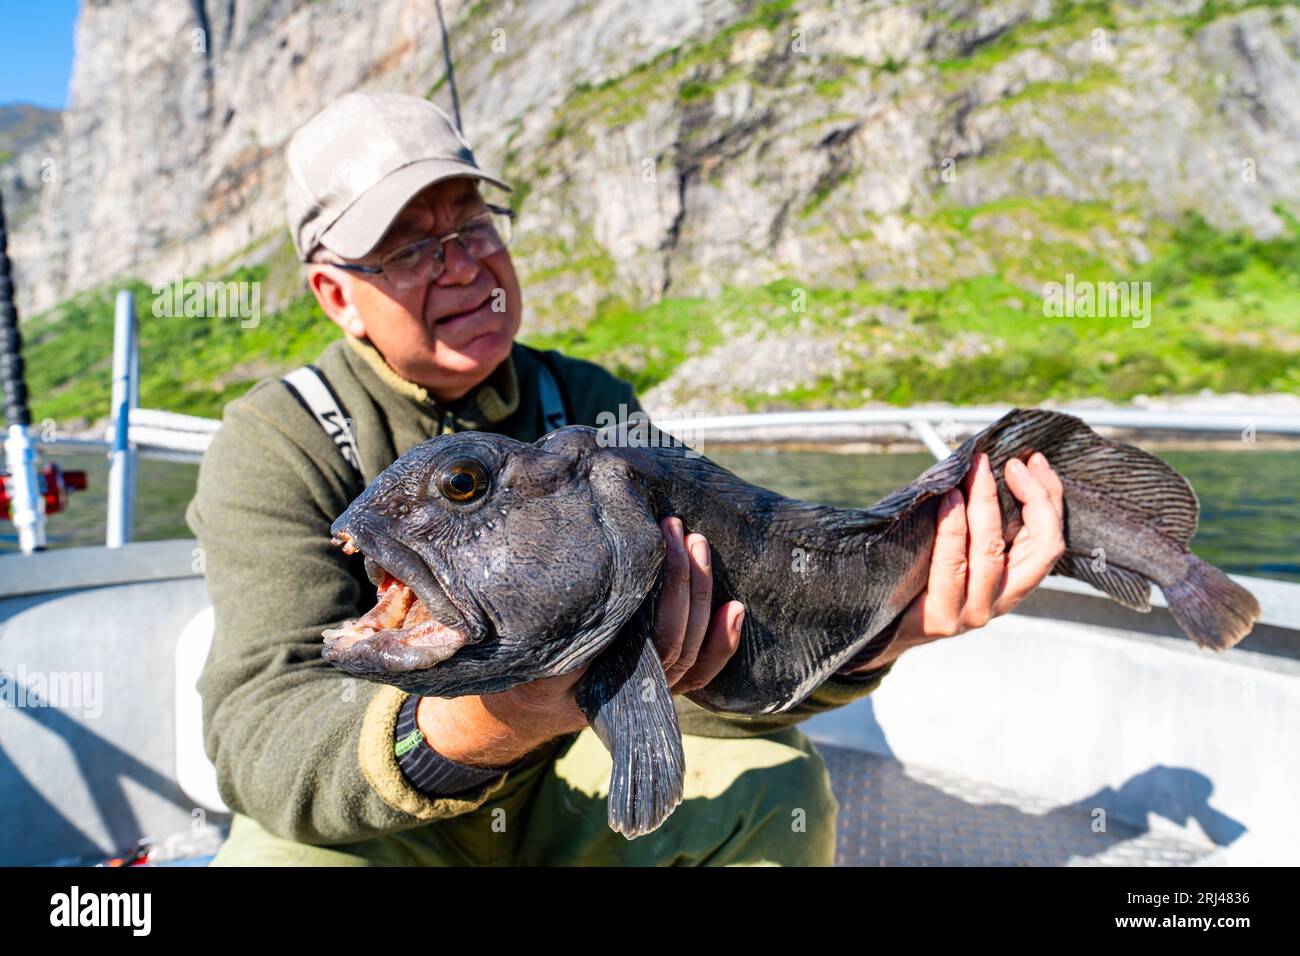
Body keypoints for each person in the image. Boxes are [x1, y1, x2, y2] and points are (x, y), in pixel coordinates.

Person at [187, 92, 1067, 866]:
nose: (460, 265)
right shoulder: (280, 438)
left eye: (472, 226)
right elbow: (260, 731)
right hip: (385, 825)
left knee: (777, 796)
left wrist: (884, 631)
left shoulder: (590, 409)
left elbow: (718, 664)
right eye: (407, 248)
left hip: (581, 768)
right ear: (336, 293)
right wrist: (494, 719)